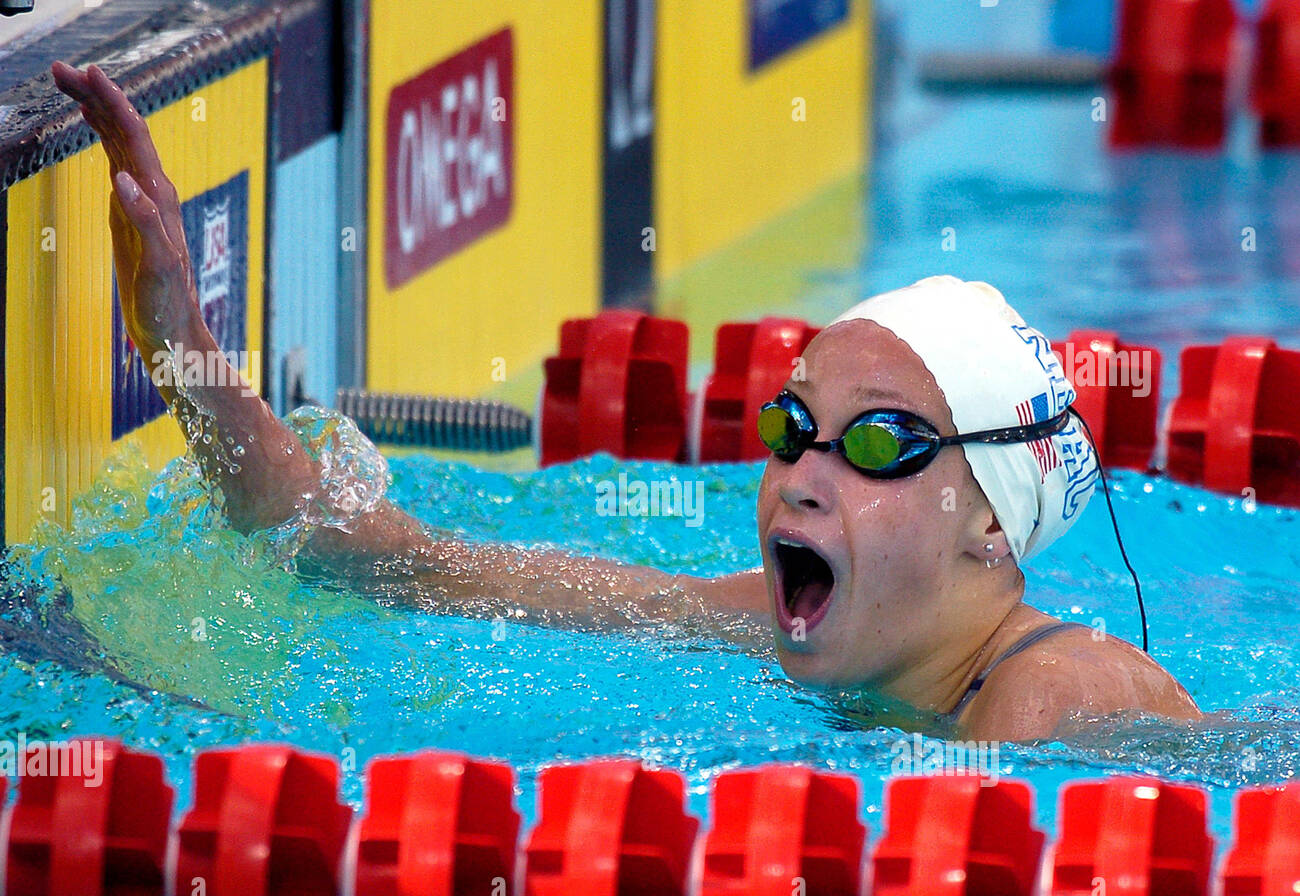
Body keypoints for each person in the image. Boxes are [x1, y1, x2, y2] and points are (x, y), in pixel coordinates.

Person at [51, 61, 1201, 741]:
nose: (803, 474)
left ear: (990, 517)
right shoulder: (798, 625)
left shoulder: (1042, 705)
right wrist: (181, 345)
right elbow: (384, 560)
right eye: (791, 425)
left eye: (876, 442)